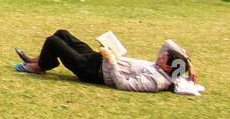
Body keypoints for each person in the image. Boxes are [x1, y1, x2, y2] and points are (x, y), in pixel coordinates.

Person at [16, 32, 199, 93]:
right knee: (62, 33)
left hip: (94, 72)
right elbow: (168, 43)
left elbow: (124, 85)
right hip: (98, 59)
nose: (160, 56)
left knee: (53, 41)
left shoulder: (156, 80)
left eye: (164, 57)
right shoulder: (166, 67)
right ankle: (41, 61)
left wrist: (111, 60)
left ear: (168, 66)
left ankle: (39, 67)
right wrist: (187, 62)